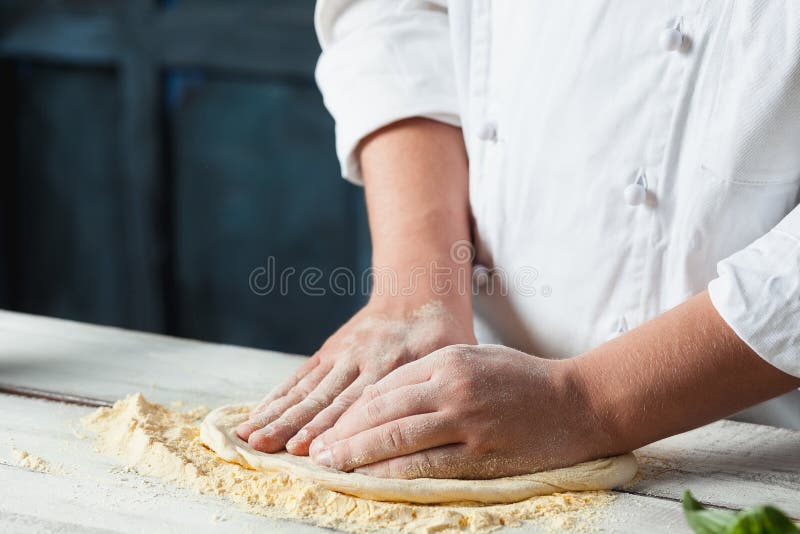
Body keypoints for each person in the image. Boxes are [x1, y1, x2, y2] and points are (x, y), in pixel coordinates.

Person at [237, 1, 800, 479]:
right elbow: (398, 13)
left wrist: (585, 401)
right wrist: (418, 293)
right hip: (468, 388)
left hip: (759, 444)